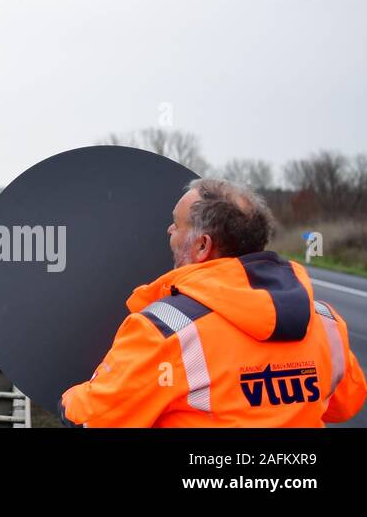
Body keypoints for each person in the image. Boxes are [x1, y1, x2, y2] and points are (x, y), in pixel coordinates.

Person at [60, 178, 366, 426]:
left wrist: (69, 399)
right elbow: (346, 404)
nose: (169, 230)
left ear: (202, 245)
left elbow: (92, 419)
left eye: (176, 224)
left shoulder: (165, 332)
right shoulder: (324, 321)